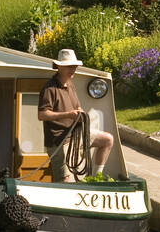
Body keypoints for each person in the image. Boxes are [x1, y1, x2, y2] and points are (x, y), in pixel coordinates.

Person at [38, 49, 114, 182]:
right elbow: (42, 114)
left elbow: (77, 107)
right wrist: (68, 114)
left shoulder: (71, 85)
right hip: (59, 141)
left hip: (75, 134)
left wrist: (79, 111)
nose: (73, 70)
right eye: (69, 67)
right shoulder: (49, 88)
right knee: (64, 180)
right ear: (59, 67)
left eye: (74, 67)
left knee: (107, 140)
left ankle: (96, 178)